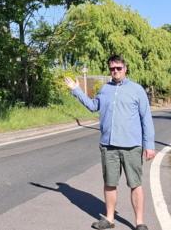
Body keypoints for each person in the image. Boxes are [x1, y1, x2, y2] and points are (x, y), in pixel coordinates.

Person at [64, 55, 156, 230]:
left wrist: (149, 145)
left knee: (135, 184)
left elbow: (146, 118)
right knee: (110, 183)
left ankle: (139, 222)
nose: (115, 71)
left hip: (131, 146)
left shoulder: (137, 90)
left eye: (118, 68)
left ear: (125, 68)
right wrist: (76, 90)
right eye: (112, 69)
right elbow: (93, 106)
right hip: (109, 145)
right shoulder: (105, 89)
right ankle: (109, 219)